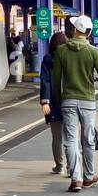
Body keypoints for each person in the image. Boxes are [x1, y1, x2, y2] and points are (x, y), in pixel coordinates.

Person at [53, 15, 98, 193]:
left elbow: (56, 80)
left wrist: (59, 99)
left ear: (75, 30)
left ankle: (75, 178)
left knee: (70, 140)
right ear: (89, 33)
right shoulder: (94, 51)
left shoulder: (61, 51)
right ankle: (88, 176)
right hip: (88, 101)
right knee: (88, 139)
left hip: (68, 100)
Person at [38, 32, 67, 174]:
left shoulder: (48, 59)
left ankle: (59, 166)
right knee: (70, 136)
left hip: (54, 103)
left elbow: (45, 81)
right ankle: (72, 168)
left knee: (57, 137)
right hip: (71, 100)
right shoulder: (70, 58)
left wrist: (45, 101)